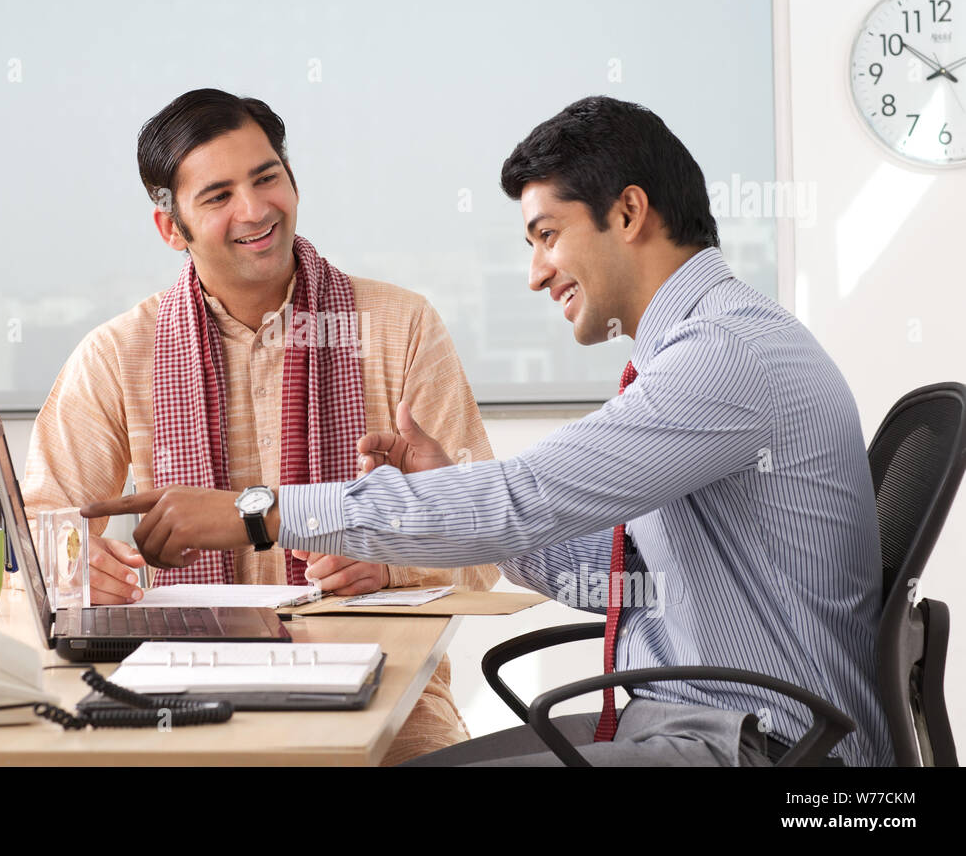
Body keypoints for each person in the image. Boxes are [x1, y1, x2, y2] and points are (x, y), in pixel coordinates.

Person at [84, 95, 897, 768]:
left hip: (764, 747)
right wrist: (445, 487)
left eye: (547, 235)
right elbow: (615, 584)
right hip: (707, 723)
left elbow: (525, 496)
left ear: (629, 212)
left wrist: (257, 512)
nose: (537, 270)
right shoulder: (707, 348)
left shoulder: (725, 358)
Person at [22, 87, 499, 766]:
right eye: (217, 196)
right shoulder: (118, 352)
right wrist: (75, 566)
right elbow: (42, 529)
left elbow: (486, 538)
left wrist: (388, 560)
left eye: (267, 177)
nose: (254, 211)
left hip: (390, 703)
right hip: (178, 701)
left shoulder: (401, 327)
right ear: (171, 228)